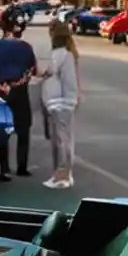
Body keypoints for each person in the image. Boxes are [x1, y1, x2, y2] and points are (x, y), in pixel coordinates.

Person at [0, 5, 37, 182]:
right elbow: (32, 69)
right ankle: (22, 166)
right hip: (20, 90)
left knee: (3, 130)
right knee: (23, 130)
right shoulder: (26, 48)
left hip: (0, 90)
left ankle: (4, 168)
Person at [41, 21, 81, 189]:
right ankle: (64, 175)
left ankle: (61, 177)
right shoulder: (70, 53)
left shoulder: (59, 54)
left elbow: (49, 71)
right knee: (65, 139)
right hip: (66, 102)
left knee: (61, 141)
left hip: (60, 102)